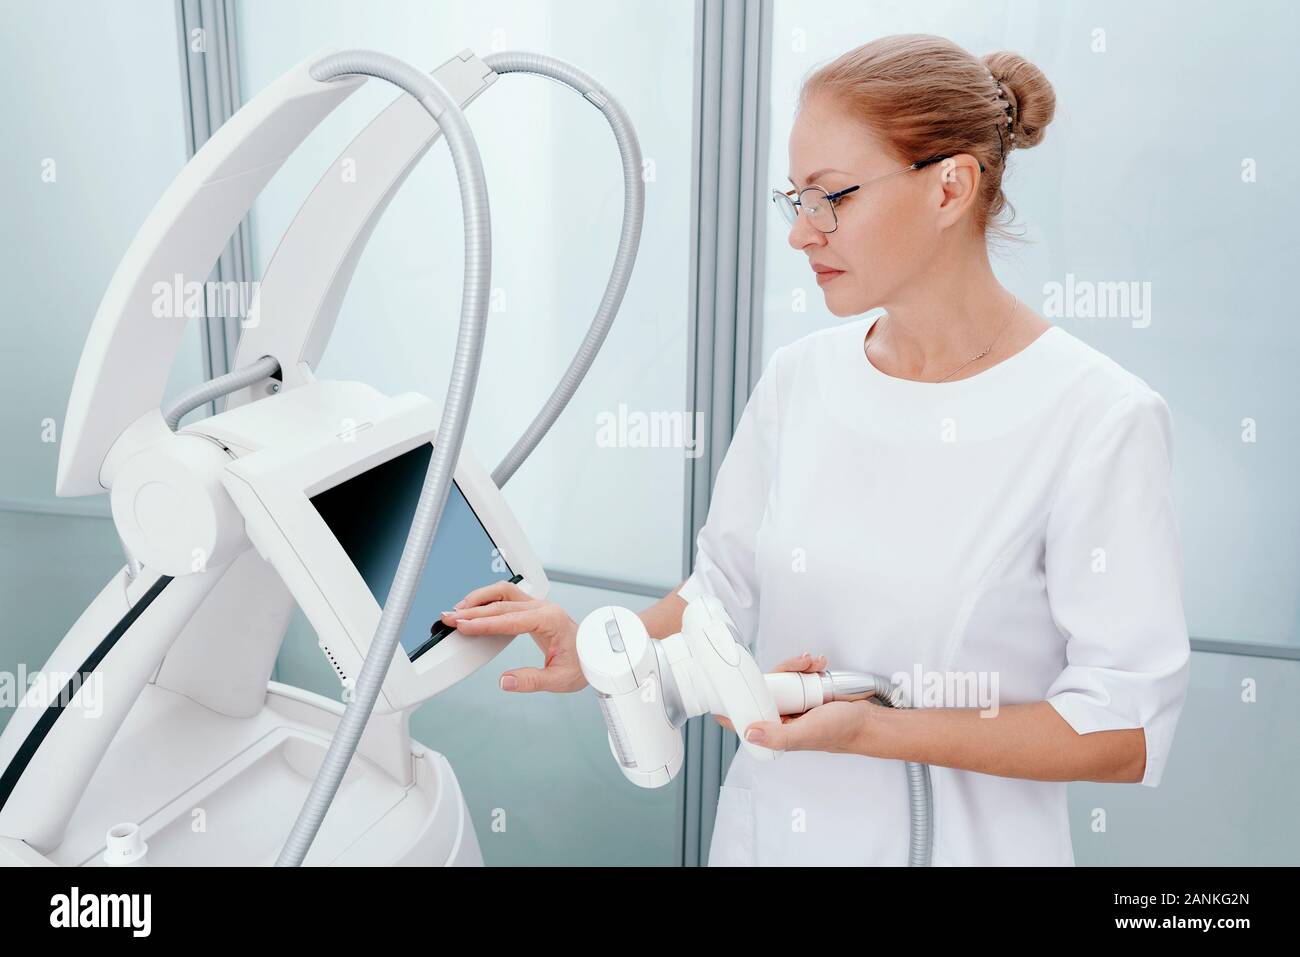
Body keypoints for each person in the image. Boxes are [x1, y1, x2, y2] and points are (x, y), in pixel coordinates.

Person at [440, 34, 1190, 866]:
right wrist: (595, 651)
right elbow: (719, 598)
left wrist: (876, 728)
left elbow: (1122, 730)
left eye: (830, 197)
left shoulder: (1096, 418)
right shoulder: (801, 381)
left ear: (951, 185)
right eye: (794, 198)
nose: (802, 234)